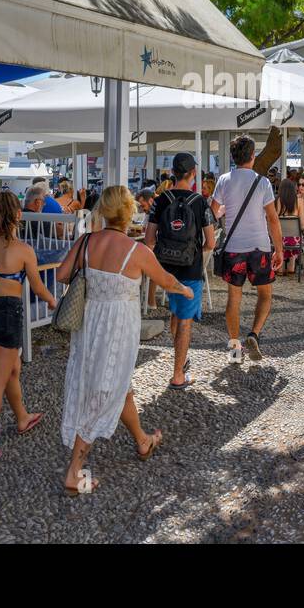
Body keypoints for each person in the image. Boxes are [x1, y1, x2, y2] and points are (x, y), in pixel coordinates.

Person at [56, 186, 192, 494]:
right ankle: (74, 472)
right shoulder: (137, 251)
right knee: (103, 391)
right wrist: (185, 290)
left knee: (117, 384)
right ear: (130, 212)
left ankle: (143, 441)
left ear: (103, 210)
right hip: (117, 328)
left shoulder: (86, 242)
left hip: (89, 325)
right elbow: (166, 281)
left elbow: (63, 274)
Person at [0, 190, 57, 466]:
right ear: (18, 215)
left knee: (12, 368)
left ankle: (22, 417)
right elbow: (38, 286)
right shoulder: (24, 250)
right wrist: (53, 302)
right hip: (7, 313)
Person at [144, 153, 216, 390]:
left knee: (176, 313)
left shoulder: (160, 199)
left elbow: (149, 239)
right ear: (193, 173)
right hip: (190, 267)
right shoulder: (200, 201)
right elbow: (211, 242)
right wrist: (197, 253)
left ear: (173, 172)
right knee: (185, 320)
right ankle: (178, 375)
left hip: (165, 267)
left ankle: (181, 360)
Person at [212, 134, 283, 364]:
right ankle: (254, 334)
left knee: (234, 299)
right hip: (259, 246)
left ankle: (235, 351)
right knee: (265, 294)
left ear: (233, 157)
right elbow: (272, 218)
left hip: (234, 248)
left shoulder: (223, 180)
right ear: (252, 156)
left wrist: (225, 209)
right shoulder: (262, 182)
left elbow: (213, 212)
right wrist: (279, 249)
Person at [277, 177, 304, 276]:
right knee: (296, 237)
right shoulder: (299, 200)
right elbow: (302, 220)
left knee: (282, 239)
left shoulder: (278, 200)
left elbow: (275, 220)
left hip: (280, 238)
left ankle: (280, 268)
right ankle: (291, 267)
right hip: (294, 239)